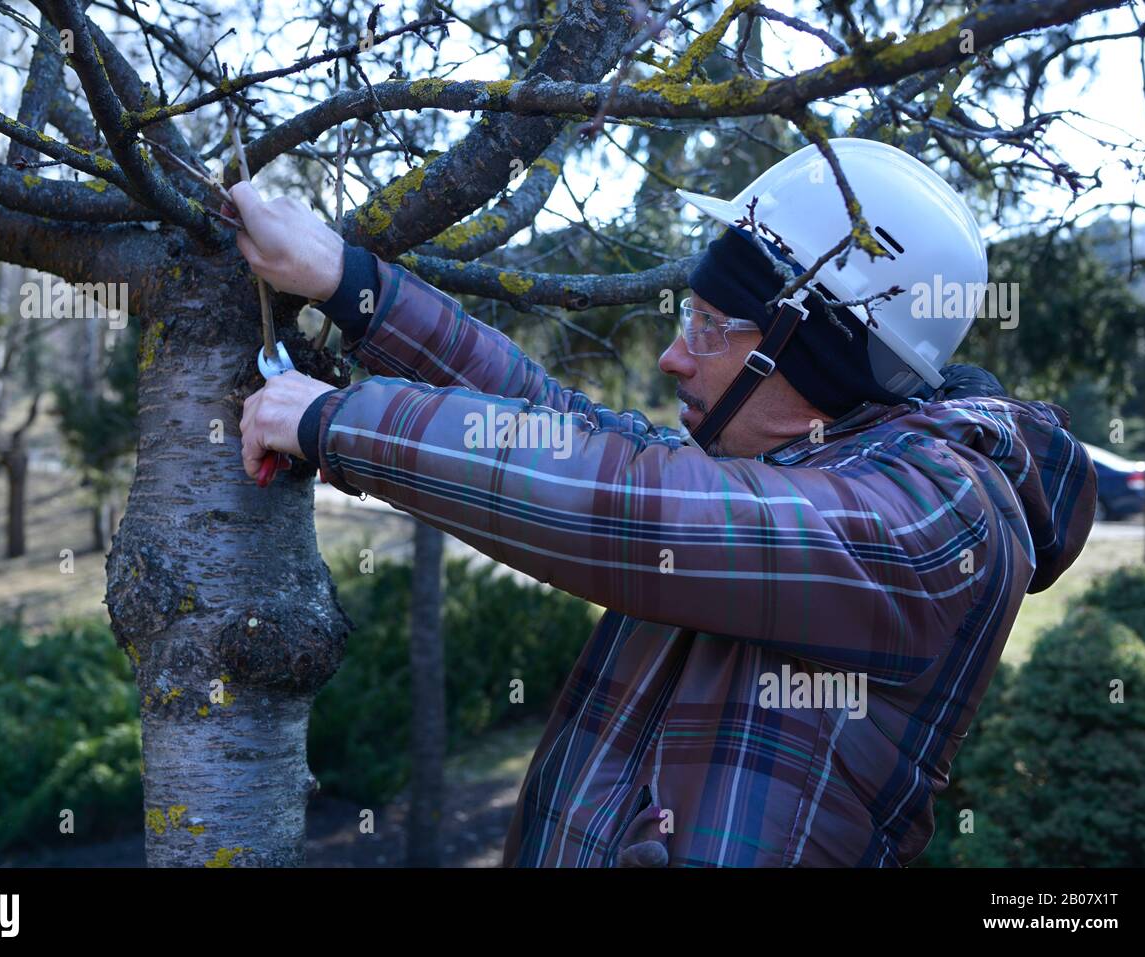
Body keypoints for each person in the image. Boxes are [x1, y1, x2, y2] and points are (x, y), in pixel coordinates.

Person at [233, 139, 1097, 867]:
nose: (673, 357)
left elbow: (639, 508)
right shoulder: (793, 461)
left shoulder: (943, 517)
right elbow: (560, 431)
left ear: (813, 355)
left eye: (710, 327)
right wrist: (351, 283)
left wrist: (333, 420)